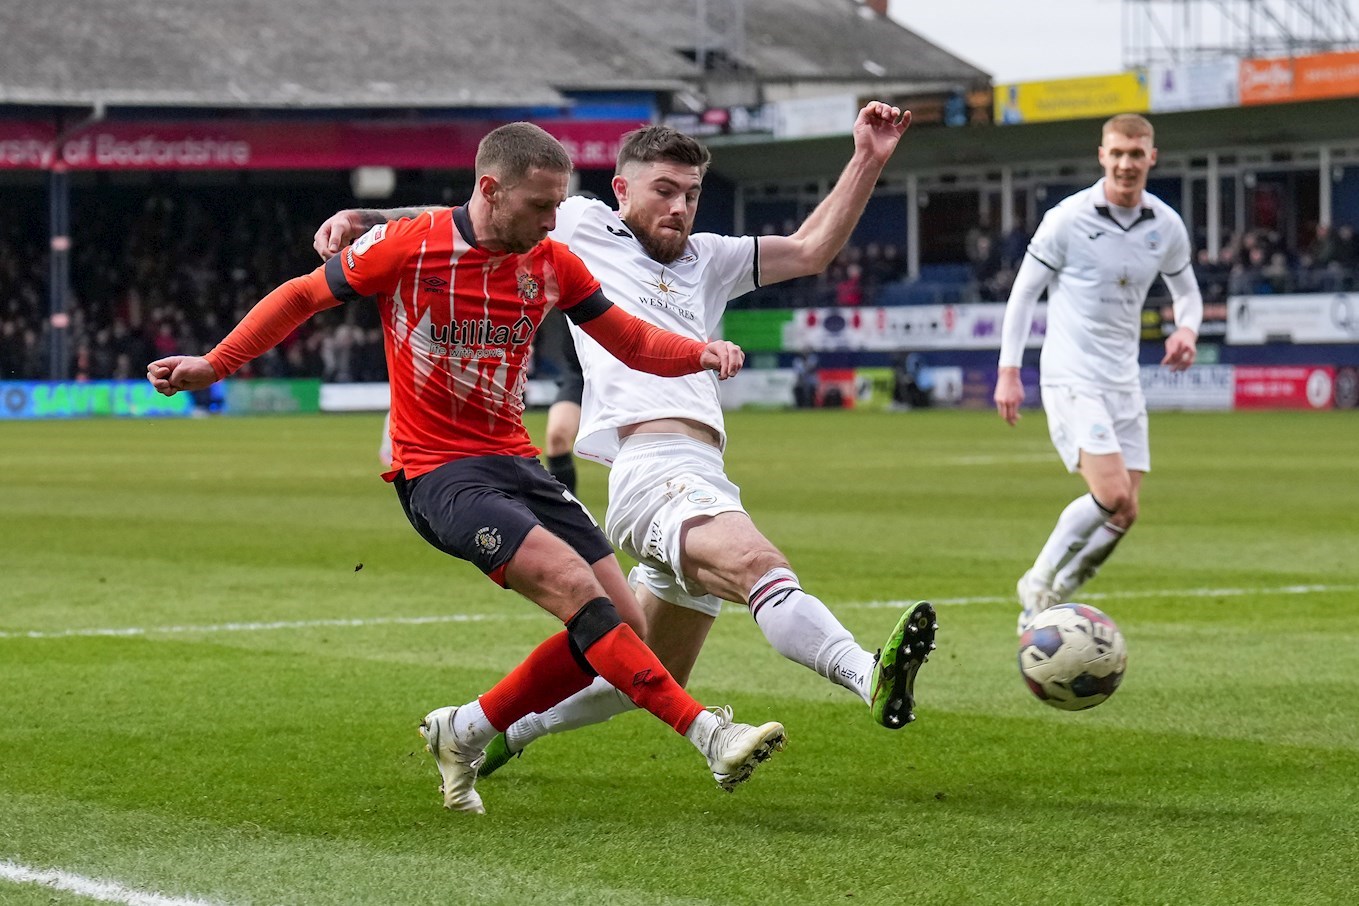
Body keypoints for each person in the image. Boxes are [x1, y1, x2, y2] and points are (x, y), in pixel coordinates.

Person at [148, 122, 787, 815]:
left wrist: (698, 352)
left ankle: (465, 729)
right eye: (541, 207)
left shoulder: (551, 261)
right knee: (576, 589)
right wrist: (215, 363)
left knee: (622, 627)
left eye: (559, 207)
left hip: (515, 462)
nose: (553, 223)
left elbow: (628, 338)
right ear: (489, 189)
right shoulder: (407, 245)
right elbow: (303, 295)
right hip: (438, 473)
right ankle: (707, 732)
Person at [314, 101, 937, 777]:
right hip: (650, 468)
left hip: (700, 468)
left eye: (692, 195)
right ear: (621, 189)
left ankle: (486, 729)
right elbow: (464, 217)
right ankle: (866, 675)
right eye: (664, 191)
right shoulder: (579, 223)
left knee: (642, 665)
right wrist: (367, 222)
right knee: (759, 566)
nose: (679, 208)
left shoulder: (712, 259)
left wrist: (867, 158)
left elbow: (812, 249)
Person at [993, 113, 1203, 633]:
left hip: (1123, 381)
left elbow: (1188, 295)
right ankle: (1037, 583)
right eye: (1117, 154)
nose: (1126, 164)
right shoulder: (1068, 219)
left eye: (1136, 154)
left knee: (1125, 512)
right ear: (1102, 156)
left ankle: (1058, 596)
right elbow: (1024, 294)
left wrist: (1187, 331)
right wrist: (1009, 371)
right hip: (1072, 375)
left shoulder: (1165, 225)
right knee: (1110, 494)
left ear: (1151, 157)